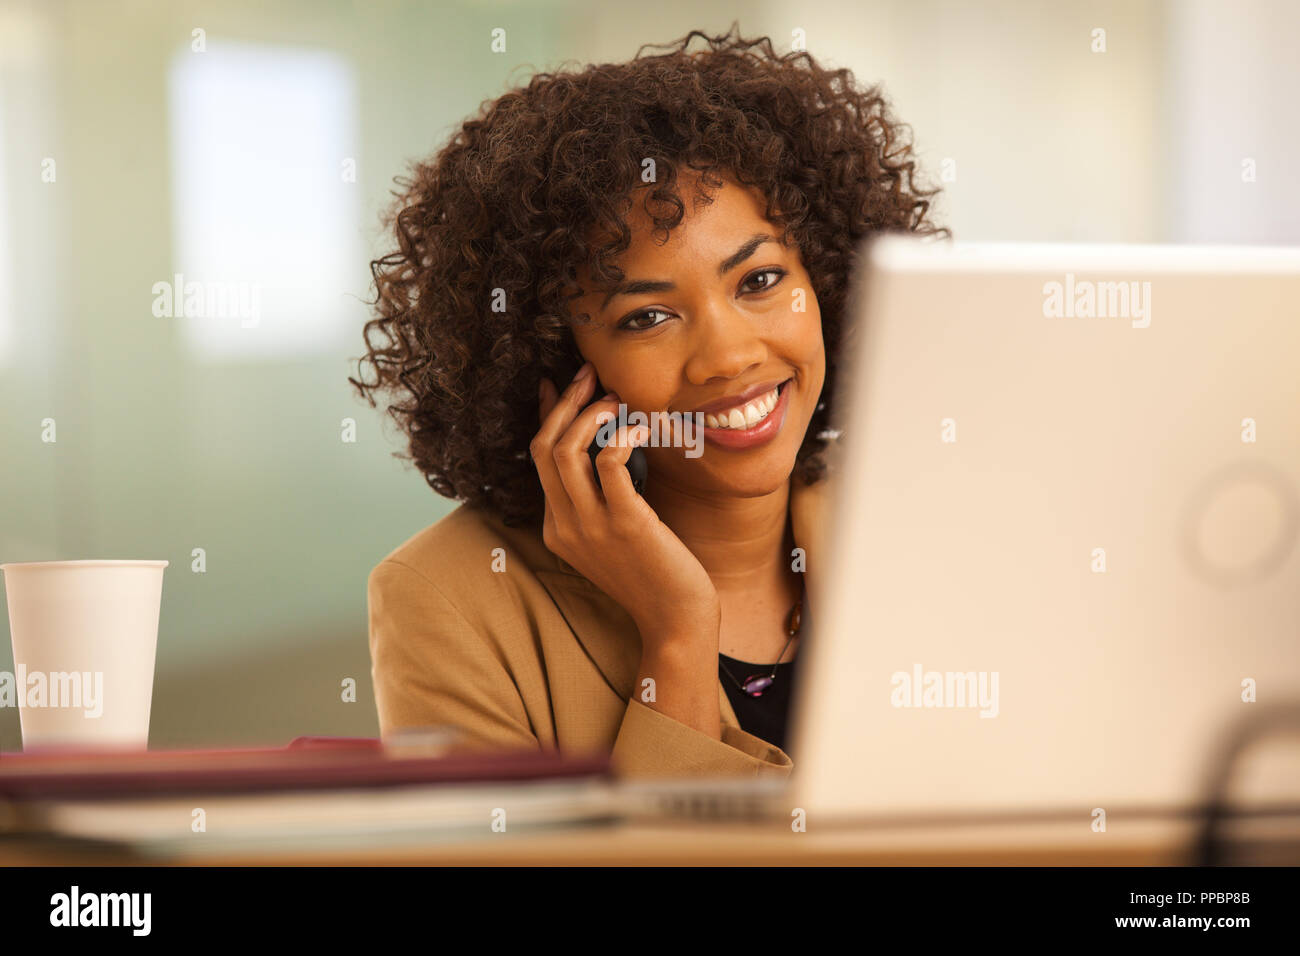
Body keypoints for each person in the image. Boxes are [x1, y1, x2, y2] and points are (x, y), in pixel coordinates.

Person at [350, 26, 947, 777]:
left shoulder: (925, 534)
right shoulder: (451, 600)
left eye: (759, 281)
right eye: (646, 318)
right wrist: (678, 634)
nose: (729, 356)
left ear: (826, 281)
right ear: (558, 364)